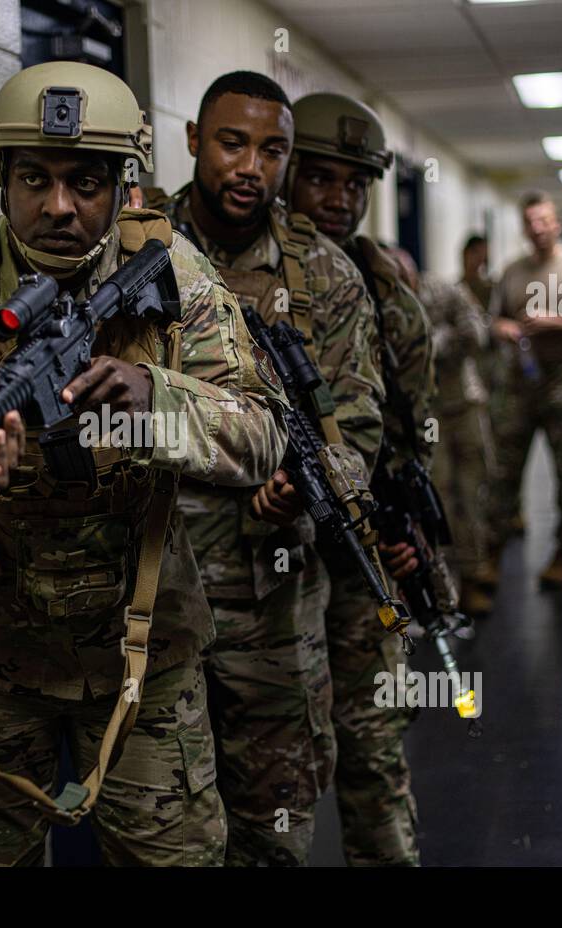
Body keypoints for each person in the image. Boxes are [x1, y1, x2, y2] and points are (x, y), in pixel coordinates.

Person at [0, 62, 288, 865]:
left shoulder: (176, 278)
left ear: (122, 187)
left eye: (86, 182)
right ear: (0, 178)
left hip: (147, 658)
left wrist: (160, 398)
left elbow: (268, 434)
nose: (60, 206)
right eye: (34, 178)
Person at [147, 71, 386, 865]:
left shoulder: (326, 275)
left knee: (273, 824)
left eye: (272, 149)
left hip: (272, 600)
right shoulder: (133, 248)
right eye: (232, 142)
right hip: (151, 592)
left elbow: (358, 423)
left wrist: (310, 491)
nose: (250, 165)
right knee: (158, 828)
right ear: (193, 141)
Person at [287, 91, 436, 866]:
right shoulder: (210, 266)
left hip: (361, 554)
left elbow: (411, 437)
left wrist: (410, 536)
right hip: (255, 561)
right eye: (320, 179)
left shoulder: (385, 288)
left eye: (355, 184)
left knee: (375, 748)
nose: (340, 199)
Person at [487, 192, 562, 589]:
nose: (537, 229)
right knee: (503, 472)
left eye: (544, 221)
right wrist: (503, 328)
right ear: (524, 228)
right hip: (519, 384)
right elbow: (495, 319)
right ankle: (490, 555)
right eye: (530, 222)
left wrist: (559, 322)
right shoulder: (512, 272)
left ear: (556, 223)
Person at [411, 263, 496, 617]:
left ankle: (475, 573)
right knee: (438, 497)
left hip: (463, 405)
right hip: (426, 411)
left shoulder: (443, 290)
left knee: (473, 493)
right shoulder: (382, 297)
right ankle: (445, 585)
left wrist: (437, 341)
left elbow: (477, 333)